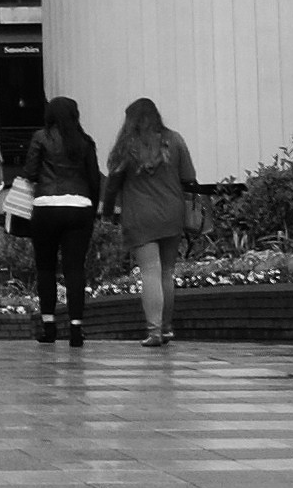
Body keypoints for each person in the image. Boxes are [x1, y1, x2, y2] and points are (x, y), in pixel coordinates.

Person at [102, 97, 201, 348]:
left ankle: (154, 330)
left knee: (150, 272)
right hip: (172, 213)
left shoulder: (127, 146)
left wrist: (107, 211)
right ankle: (166, 328)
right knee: (167, 272)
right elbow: (189, 176)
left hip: (140, 217)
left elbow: (112, 182)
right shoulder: (175, 140)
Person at [19, 96, 104, 348]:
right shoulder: (86, 142)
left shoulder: (41, 137)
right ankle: (76, 329)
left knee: (45, 268)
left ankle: (49, 326)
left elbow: (31, 172)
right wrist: (91, 210)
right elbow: (94, 179)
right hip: (79, 207)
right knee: (75, 269)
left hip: (46, 206)